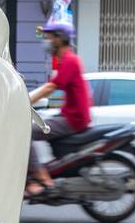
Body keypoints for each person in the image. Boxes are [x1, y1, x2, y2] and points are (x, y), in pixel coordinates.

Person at [25, 21, 91, 195]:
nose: (46, 40)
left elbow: (50, 87)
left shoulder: (70, 60)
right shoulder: (64, 60)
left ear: (60, 38)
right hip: (70, 115)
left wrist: (25, 100)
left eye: (50, 36)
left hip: (74, 119)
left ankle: (40, 175)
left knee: (25, 132)